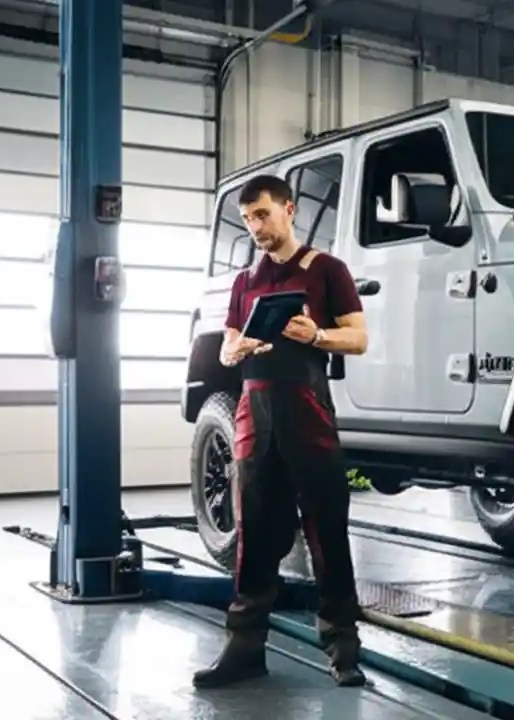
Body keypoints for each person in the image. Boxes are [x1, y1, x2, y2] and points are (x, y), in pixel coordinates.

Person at [192, 174, 369, 689]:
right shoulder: (245, 281)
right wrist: (236, 349)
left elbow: (358, 337)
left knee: (326, 530)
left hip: (306, 405)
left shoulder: (327, 270)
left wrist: (316, 334)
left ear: (289, 210)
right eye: (248, 220)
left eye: (263, 215)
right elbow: (226, 347)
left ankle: (342, 649)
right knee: (255, 535)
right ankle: (244, 649)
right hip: (254, 412)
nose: (255, 227)